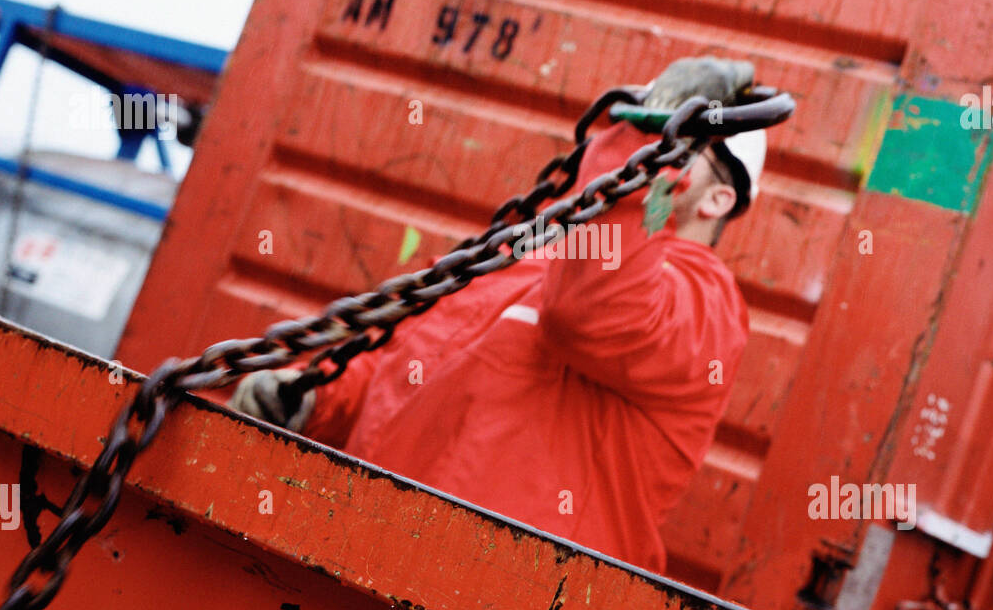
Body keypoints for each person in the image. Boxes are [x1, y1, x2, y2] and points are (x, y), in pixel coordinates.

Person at [230, 57, 766, 574]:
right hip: (360, 558)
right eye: (649, 130)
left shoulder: (706, 304)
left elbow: (591, 315)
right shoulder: (526, 258)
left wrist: (645, 144)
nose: (649, 148)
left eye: (682, 142)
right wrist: (317, 401)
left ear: (718, 199)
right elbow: (412, 364)